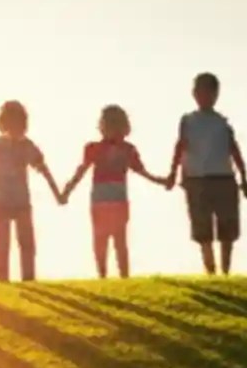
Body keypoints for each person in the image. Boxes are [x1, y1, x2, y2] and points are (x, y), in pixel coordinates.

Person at [59, 106, 167, 279]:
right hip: (100, 202)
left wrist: (160, 180)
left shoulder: (128, 150)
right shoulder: (94, 148)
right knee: (101, 240)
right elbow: (81, 170)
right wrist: (67, 191)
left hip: (118, 201)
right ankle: (102, 274)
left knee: (120, 240)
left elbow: (141, 171)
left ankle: (123, 275)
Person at [165, 72, 247, 275]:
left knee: (227, 229)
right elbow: (181, 147)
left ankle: (226, 270)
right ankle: (210, 269)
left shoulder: (222, 122)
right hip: (197, 179)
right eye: (202, 91)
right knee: (202, 230)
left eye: (211, 92)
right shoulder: (188, 121)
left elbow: (233, 149)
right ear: (195, 93)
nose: (206, 96)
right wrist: (173, 172)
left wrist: (244, 178)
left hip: (224, 178)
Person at [0, 100, 62, 283]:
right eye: (11, 123)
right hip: (0, 200)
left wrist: (57, 193)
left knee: (26, 242)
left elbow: (44, 169)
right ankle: (2, 279)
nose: (15, 128)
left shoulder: (28, 146)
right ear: (3, 124)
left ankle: (29, 278)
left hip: (21, 200)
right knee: (2, 242)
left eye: (18, 123)